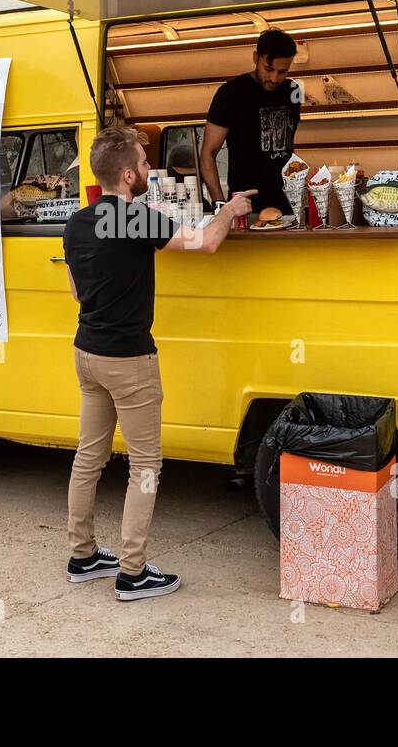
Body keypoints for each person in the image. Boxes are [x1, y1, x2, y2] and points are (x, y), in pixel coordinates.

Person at [61, 126, 255, 601]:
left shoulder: (77, 223)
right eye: (146, 165)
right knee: (145, 463)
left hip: (87, 352)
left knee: (89, 456)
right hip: (129, 359)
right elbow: (208, 243)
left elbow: (76, 292)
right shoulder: (135, 218)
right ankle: (132, 572)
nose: (151, 170)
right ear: (127, 174)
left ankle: (82, 556)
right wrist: (229, 209)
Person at [199, 29, 301, 213]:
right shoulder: (231, 94)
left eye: (283, 71)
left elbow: (287, 149)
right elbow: (208, 152)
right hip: (245, 204)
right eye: (269, 69)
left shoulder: (293, 91)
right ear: (256, 58)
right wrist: (220, 205)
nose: (274, 78)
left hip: (289, 202)